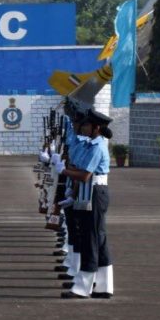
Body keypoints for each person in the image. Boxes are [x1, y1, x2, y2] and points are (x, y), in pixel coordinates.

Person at [60, 109, 114, 299]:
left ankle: (83, 287)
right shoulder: (92, 144)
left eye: (86, 125)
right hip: (88, 192)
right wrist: (72, 195)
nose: (83, 127)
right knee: (95, 237)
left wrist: (64, 171)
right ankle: (103, 286)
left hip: (95, 192)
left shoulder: (97, 147)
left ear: (96, 128)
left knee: (91, 238)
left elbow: (84, 175)